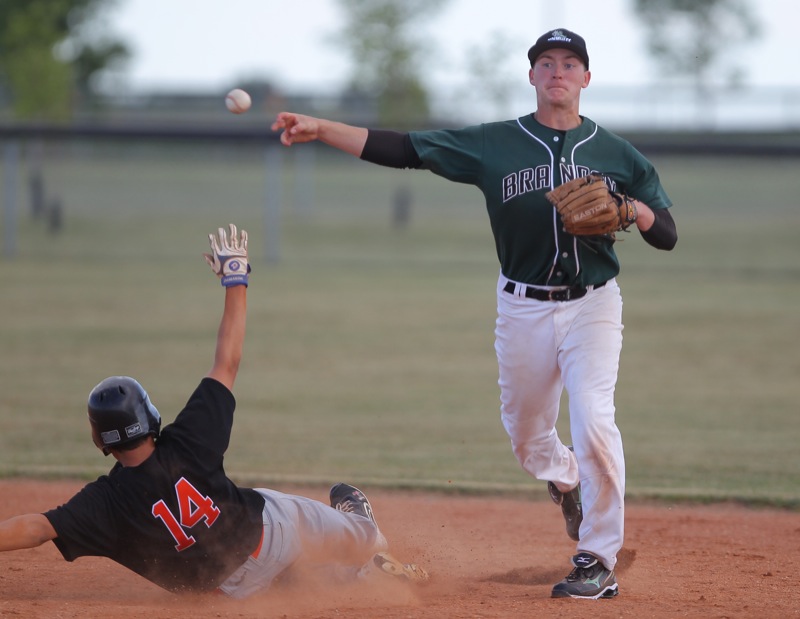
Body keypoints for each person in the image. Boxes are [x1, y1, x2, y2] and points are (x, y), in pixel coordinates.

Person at [271, 28, 678, 600]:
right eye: (546, 63)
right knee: (527, 438)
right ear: (532, 76)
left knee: (594, 419)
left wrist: (632, 208)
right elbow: (406, 149)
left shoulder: (618, 155)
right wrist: (321, 129)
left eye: (569, 63)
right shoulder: (495, 144)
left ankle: (596, 557)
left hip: (593, 305)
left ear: (586, 77)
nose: (557, 72)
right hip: (522, 308)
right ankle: (566, 482)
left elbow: (668, 235)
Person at [0, 224, 426, 599]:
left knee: (278, 580)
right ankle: (365, 537)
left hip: (229, 588)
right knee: (331, 529)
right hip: (271, 536)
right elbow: (227, 360)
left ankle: (362, 580)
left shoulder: (105, 503)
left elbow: (36, 528)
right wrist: (235, 278)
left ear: (100, 440)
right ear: (149, 416)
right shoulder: (187, 440)